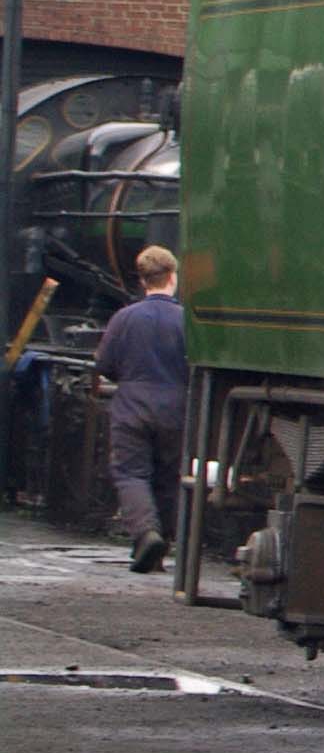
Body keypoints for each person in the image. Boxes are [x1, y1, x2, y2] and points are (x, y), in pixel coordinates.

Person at [100, 245, 188, 576]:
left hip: (132, 405)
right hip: (176, 406)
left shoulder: (124, 318)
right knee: (169, 478)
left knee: (131, 473)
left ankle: (145, 534)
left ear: (142, 280)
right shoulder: (185, 321)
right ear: (172, 277)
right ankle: (158, 546)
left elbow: (105, 364)